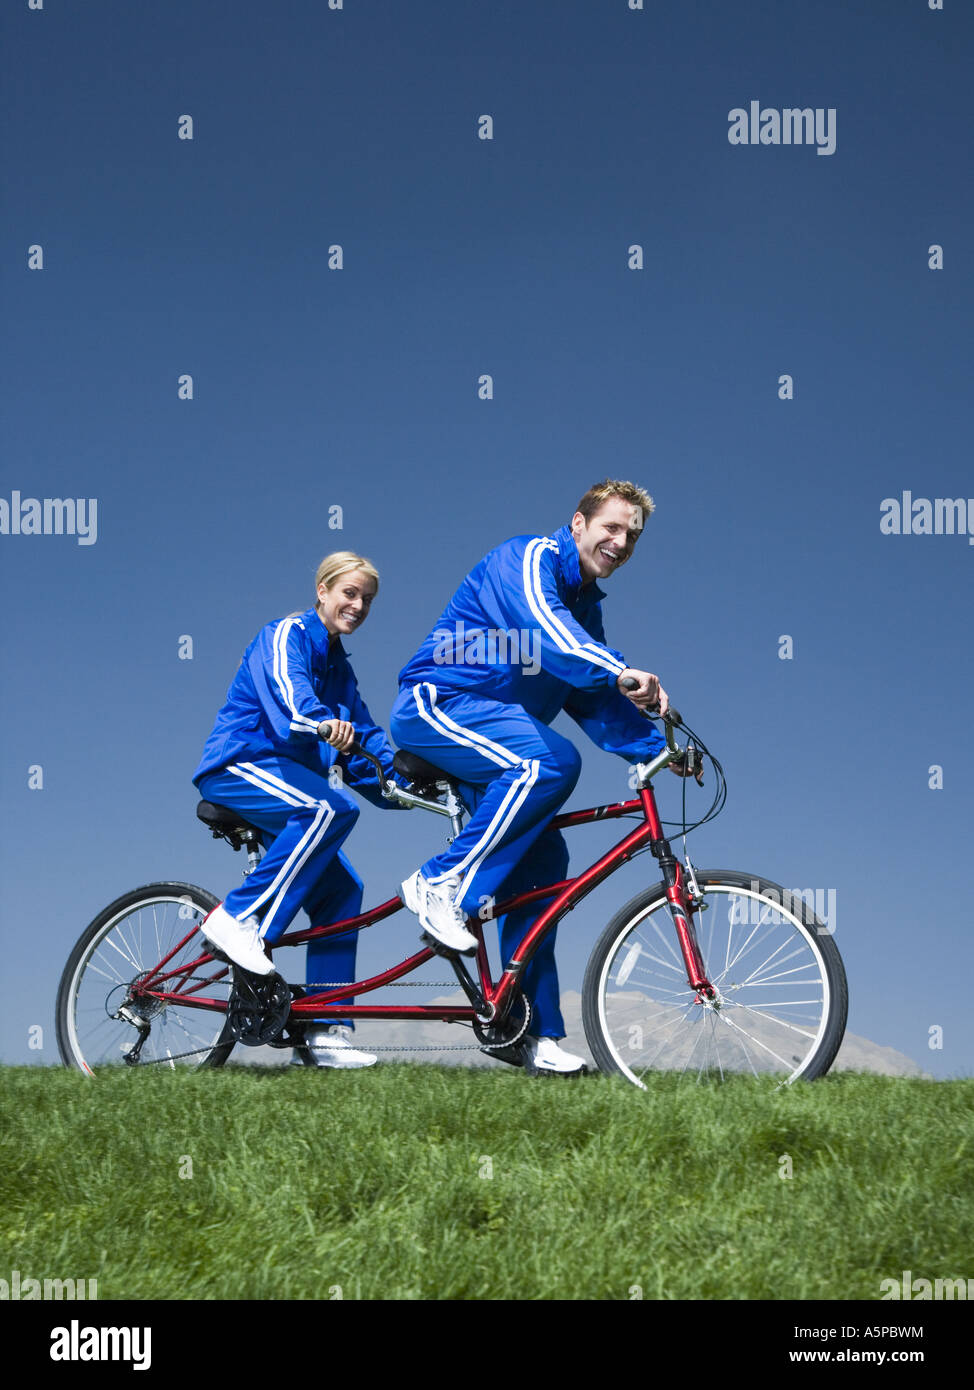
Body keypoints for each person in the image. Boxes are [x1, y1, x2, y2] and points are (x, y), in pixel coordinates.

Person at [391, 480, 690, 1075]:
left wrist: (658, 747)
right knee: (551, 761)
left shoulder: (588, 610)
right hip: (441, 705)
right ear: (578, 523)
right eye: (611, 526)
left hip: (499, 741)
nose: (621, 541)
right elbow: (551, 637)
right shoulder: (526, 561)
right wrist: (622, 669)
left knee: (547, 866)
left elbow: (594, 695)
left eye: (632, 535)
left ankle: (534, 1034)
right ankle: (439, 885)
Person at [193, 551, 404, 1069]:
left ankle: (325, 1030)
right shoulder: (288, 634)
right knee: (329, 811)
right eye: (349, 593)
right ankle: (237, 918)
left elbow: (364, 744)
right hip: (240, 765)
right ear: (323, 591)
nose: (357, 606)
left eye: (367, 600)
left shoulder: (340, 670)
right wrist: (320, 723)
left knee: (342, 888)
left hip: (289, 784)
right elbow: (290, 701)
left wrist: (411, 784)